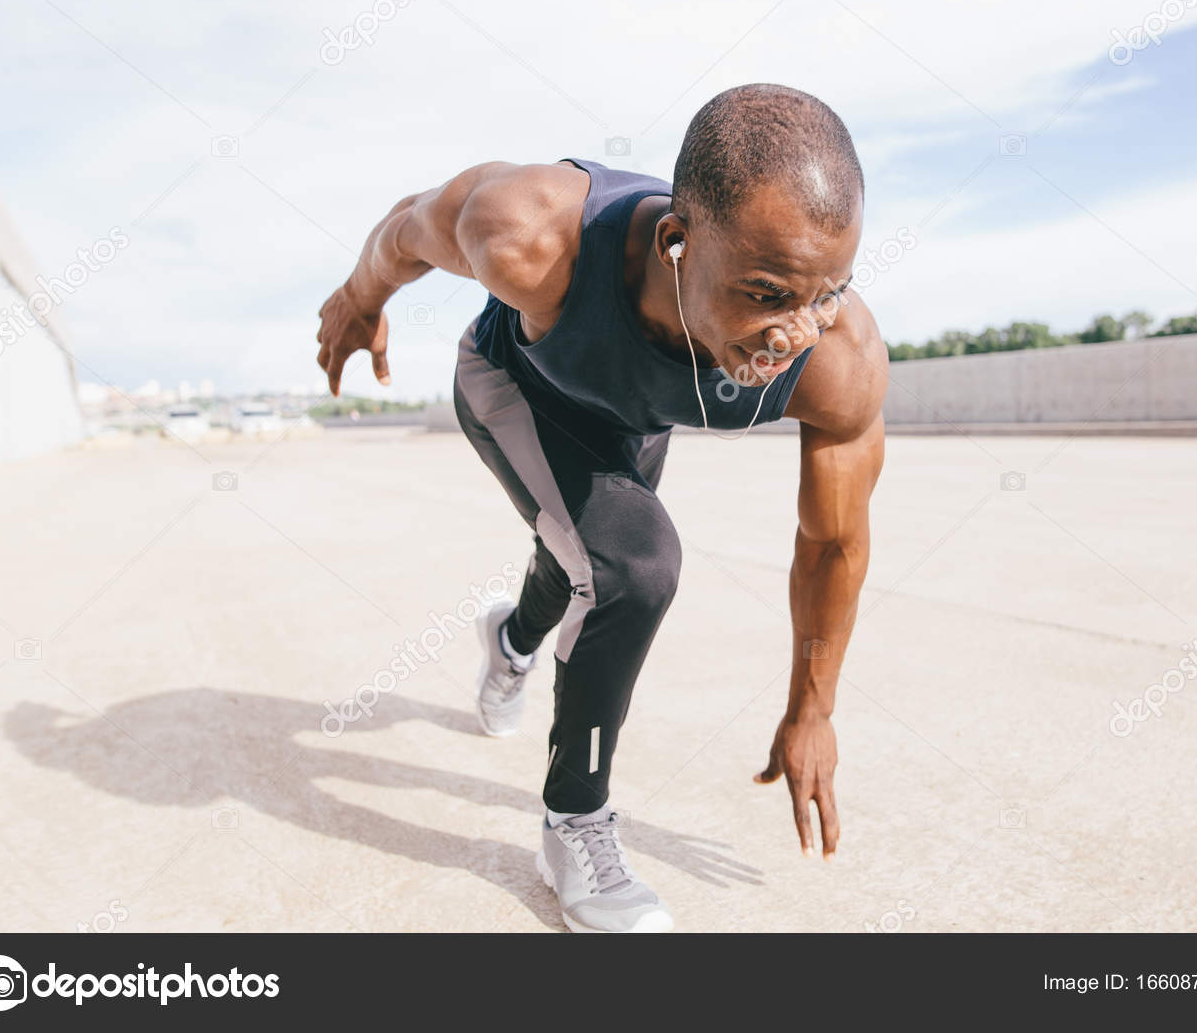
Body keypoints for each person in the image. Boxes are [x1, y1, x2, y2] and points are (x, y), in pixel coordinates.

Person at [315, 83, 888, 932]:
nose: (794, 333)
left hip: (628, 417)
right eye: (767, 293)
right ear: (676, 243)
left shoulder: (840, 359)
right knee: (633, 566)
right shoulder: (534, 232)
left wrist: (814, 706)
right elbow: (408, 225)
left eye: (828, 292)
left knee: (582, 562)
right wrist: (360, 300)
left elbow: (833, 543)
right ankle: (573, 821)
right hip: (518, 384)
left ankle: (511, 639)